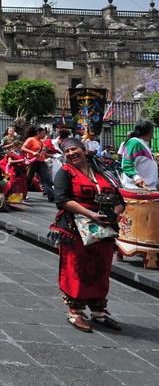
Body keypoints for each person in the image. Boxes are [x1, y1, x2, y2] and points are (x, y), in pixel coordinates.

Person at [48, 137, 124, 332]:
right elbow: (62, 200)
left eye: (74, 149)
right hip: (76, 227)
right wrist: (90, 214)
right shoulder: (65, 173)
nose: (72, 154)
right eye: (67, 152)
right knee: (77, 268)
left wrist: (112, 214)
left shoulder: (103, 172)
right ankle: (75, 311)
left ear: (84, 150)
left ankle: (99, 310)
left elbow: (120, 199)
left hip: (104, 228)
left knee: (101, 267)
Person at [118, 119, 157, 190]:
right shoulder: (134, 143)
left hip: (147, 188)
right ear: (149, 131)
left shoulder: (142, 143)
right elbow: (126, 164)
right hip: (137, 188)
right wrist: (136, 177)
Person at [22, 125, 56, 201]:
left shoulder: (41, 142)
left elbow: (41, 153)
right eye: (43, 133)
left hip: (41, 162)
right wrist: (32, 152)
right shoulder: (30, 139)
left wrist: (51, 155)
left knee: (46, 178)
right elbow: (23, 148)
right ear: (38, 133)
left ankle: (51, 196)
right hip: (32, 162)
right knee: (28, 179)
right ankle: (22, 194)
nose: (44, 135)